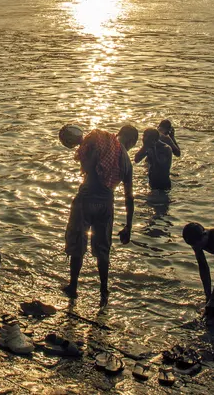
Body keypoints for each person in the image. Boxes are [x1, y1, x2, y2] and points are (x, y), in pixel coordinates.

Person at [62, 127, 136, 306]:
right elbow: (129, 197)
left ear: (119, 135)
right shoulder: (126, 162)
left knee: (78, 243)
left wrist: (84, 149)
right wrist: (128, 226)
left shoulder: (103, 140)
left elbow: (87, 167)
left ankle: (73, 287)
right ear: (133, 143)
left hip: (86, 200)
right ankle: (104, 291)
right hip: (106, 204)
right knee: (103, 249)